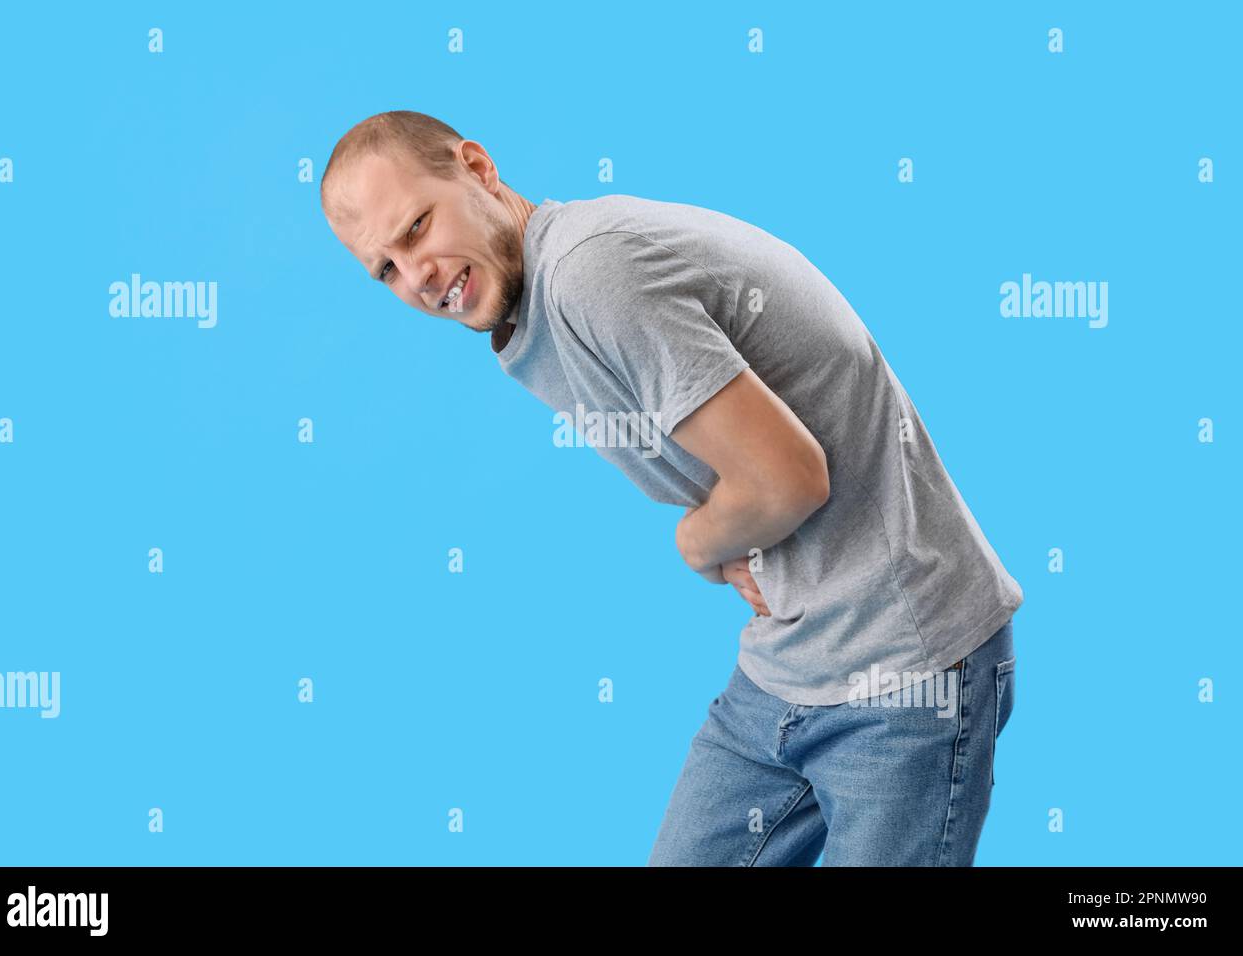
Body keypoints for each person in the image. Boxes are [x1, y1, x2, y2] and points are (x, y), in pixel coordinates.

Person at [320, 110, 1023, 866]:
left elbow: (785, 478)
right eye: (386, 268)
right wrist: (733, 533)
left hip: (904, 667)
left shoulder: (594, 273)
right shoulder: (532, 314)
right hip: (790, 658)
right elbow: (736, 470)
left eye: (417, 227)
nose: (417, 277)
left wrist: (698, 543)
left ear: (478, 168)